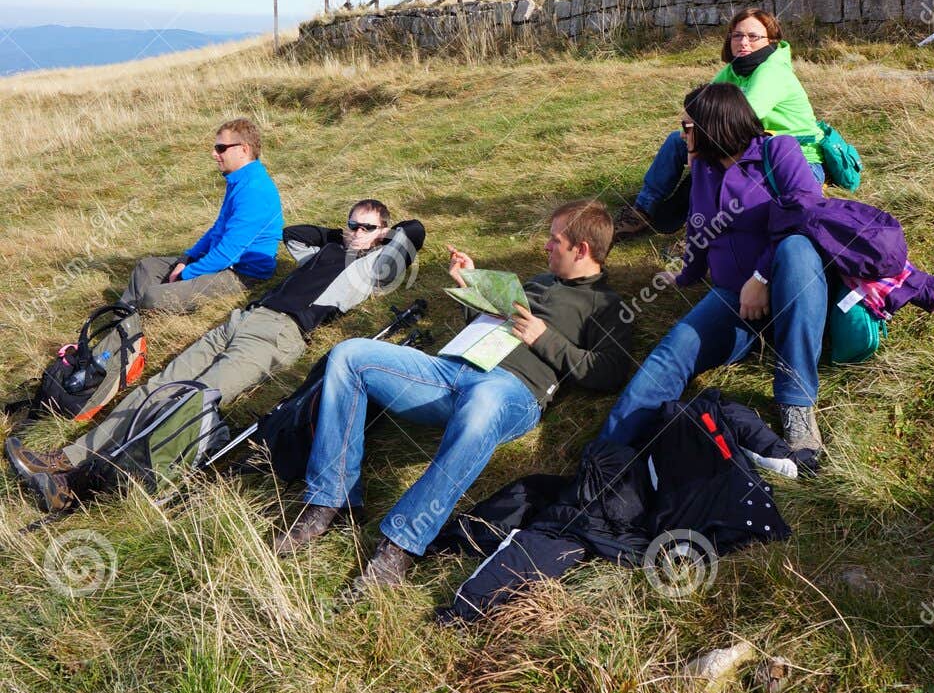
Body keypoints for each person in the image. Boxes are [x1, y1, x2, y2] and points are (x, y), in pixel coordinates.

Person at [274, 199, 633, 594]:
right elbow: (490, 323)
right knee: (349, 355)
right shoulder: (538, 283)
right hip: (449, 369)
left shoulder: (608, 306)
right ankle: (331, 498)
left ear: (581, 250)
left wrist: (544, 338)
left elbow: (610, 372)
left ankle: (401, 544)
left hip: (509, 391)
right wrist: (472, 286)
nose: (545, 246)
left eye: (555, 240)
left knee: (482, 406)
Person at [6, 201, 425, 514]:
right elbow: (295, 234)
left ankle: (77, 486)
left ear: (382, 232)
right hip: (240, 321)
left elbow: (416, 230)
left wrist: (376, 241)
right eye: (352, 222)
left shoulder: (370, 272)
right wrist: (340, 235)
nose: (355, 231)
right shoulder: (327, 250)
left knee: (190, 401)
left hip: (278, 334)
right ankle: (67, 457)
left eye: (366, 226)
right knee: (158, 386)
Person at [601, 83, 828, 457]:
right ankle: (607, 454)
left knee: (797, 247)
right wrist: (687, 274)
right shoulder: (704, 169)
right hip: (734, 299)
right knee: (673, 351)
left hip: (794, 289)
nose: (681, 134)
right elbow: (700, 228)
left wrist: (761, 278)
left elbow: (807, 216)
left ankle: (796, 403)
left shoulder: (779, 151)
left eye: (687, 126)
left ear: (714, 126)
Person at [613, 10, 825, 238]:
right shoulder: (734, 70)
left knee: (710, 155)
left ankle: (703, 227)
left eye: (753, 36)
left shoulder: (773, 71)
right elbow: (697, 108)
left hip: (793, 163)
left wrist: (698, 145)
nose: (744, 42)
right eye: (737, 36)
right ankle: (644, 210)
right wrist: (693, 133)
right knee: (678, 140)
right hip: (750, 146)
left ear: (770, 41)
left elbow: (740, 120)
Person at [119, 118, 283, 315]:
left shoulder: (253, 190)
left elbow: (228, 253)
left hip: (242, 275)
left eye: (221, 148)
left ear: (244, 149)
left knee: (154, 297)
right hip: (221, 263)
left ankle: (129, 332)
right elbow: (217, 229)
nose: (214, 154)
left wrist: (185, 274)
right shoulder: (239, 181)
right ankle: (118, 323)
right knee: (147, 267)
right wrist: (187, 257)